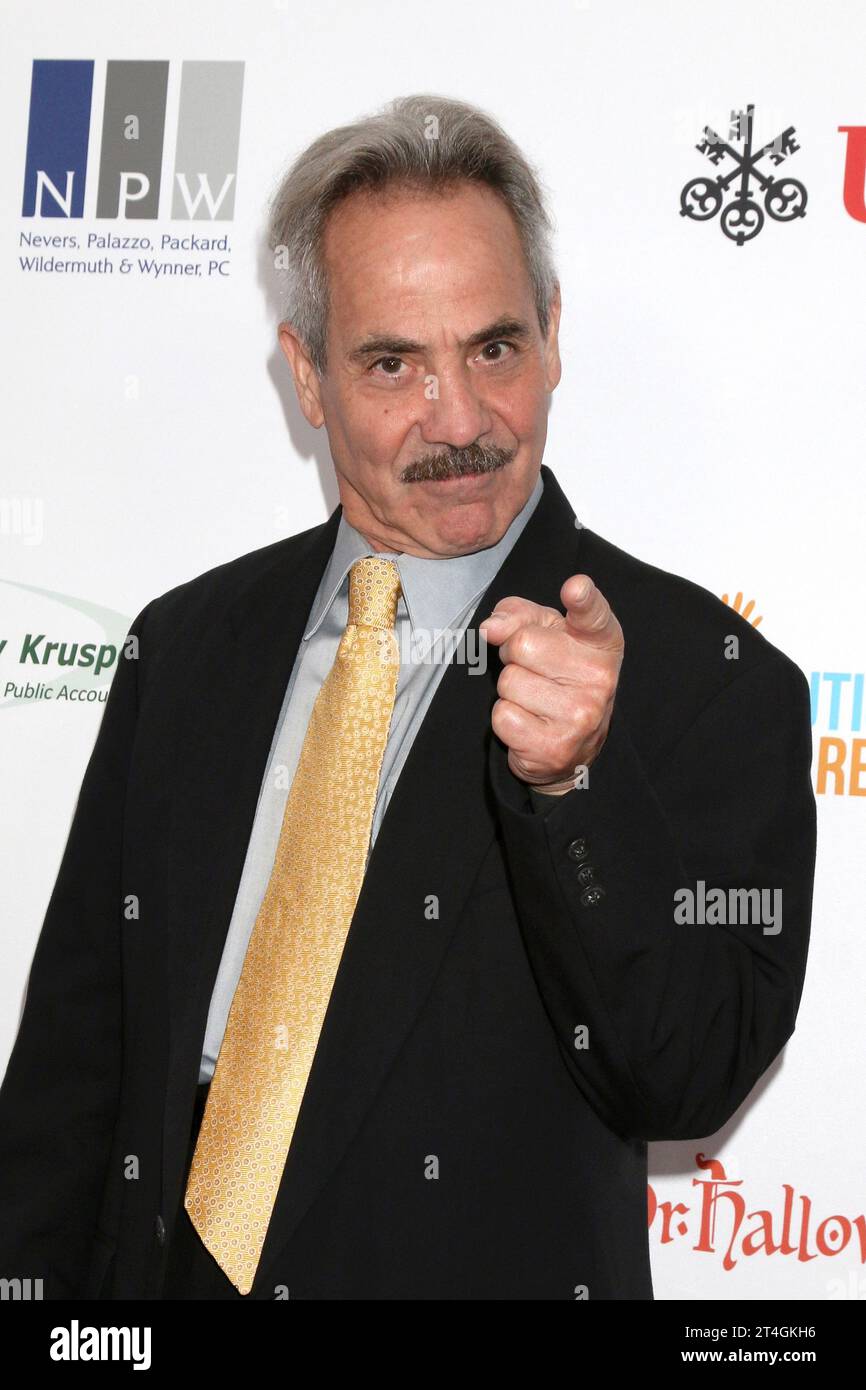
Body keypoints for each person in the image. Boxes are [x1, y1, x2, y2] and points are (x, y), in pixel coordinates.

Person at [0, 93, 816, 1300]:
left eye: (492, 348)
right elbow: (75, 1070)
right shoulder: (184, 647)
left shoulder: (704, 678)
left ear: (550, 334)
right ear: (308, 378)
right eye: (392, 363)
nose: (461, 419)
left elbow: (685, 1078)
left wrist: (571, 788)